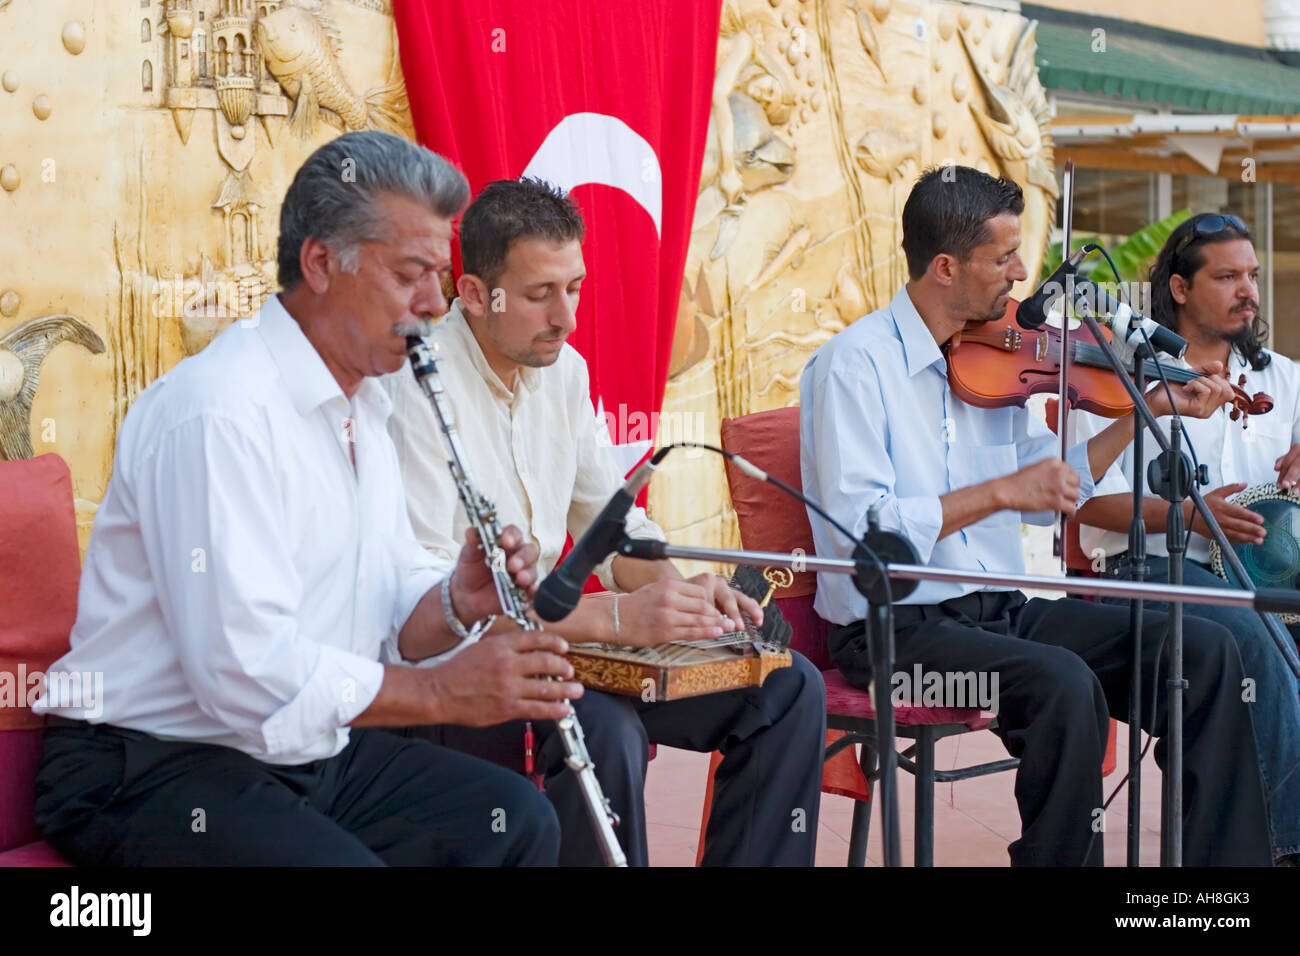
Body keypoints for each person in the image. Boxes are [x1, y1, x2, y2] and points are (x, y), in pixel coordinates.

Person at [31, 131, 583, 867]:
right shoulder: (220, 412)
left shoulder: (371, 405)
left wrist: (458, 599)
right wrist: (443, 696)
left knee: (515, 821)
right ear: (321, 263)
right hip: (150, 765)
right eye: (411, 274)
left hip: (298, 751)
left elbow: (388, 616)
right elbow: (242, 674)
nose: (432, 304)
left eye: (438, 277)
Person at [799, 165, 1272, 865]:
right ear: (945, 267)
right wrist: (1000, 494)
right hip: (897, 641)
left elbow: (1058, 486)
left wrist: (1155, 405)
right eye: (1004, 257)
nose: (1022, 273)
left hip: (998, 610)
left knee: (1202, 651)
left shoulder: (993, 360)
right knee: (1062, 685)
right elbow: (866, 533)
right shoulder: (853, 367)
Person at [384, 177, 826, 866]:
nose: (566, 317)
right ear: (472, 294)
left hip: (563, 649)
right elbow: (437, 607)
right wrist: (618, 620)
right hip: (464, 671)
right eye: (540, 294)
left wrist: (681, 598)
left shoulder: (564, 372)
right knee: (605, 729)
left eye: (576, 288)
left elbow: (615, 534)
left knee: (788, 686)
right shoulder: (418, 390)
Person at [1074, 212, 1300, 865]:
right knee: (1252, 630)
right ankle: (1287, 846)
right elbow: (1087, 508)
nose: (1247, 291)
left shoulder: (1280, 379)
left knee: (1260, 619)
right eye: (1227, 276)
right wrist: (1189, 515)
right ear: (1178, 287)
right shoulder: (1120, 378)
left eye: (1252, 275)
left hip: (1263, 575)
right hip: (1144, 572)